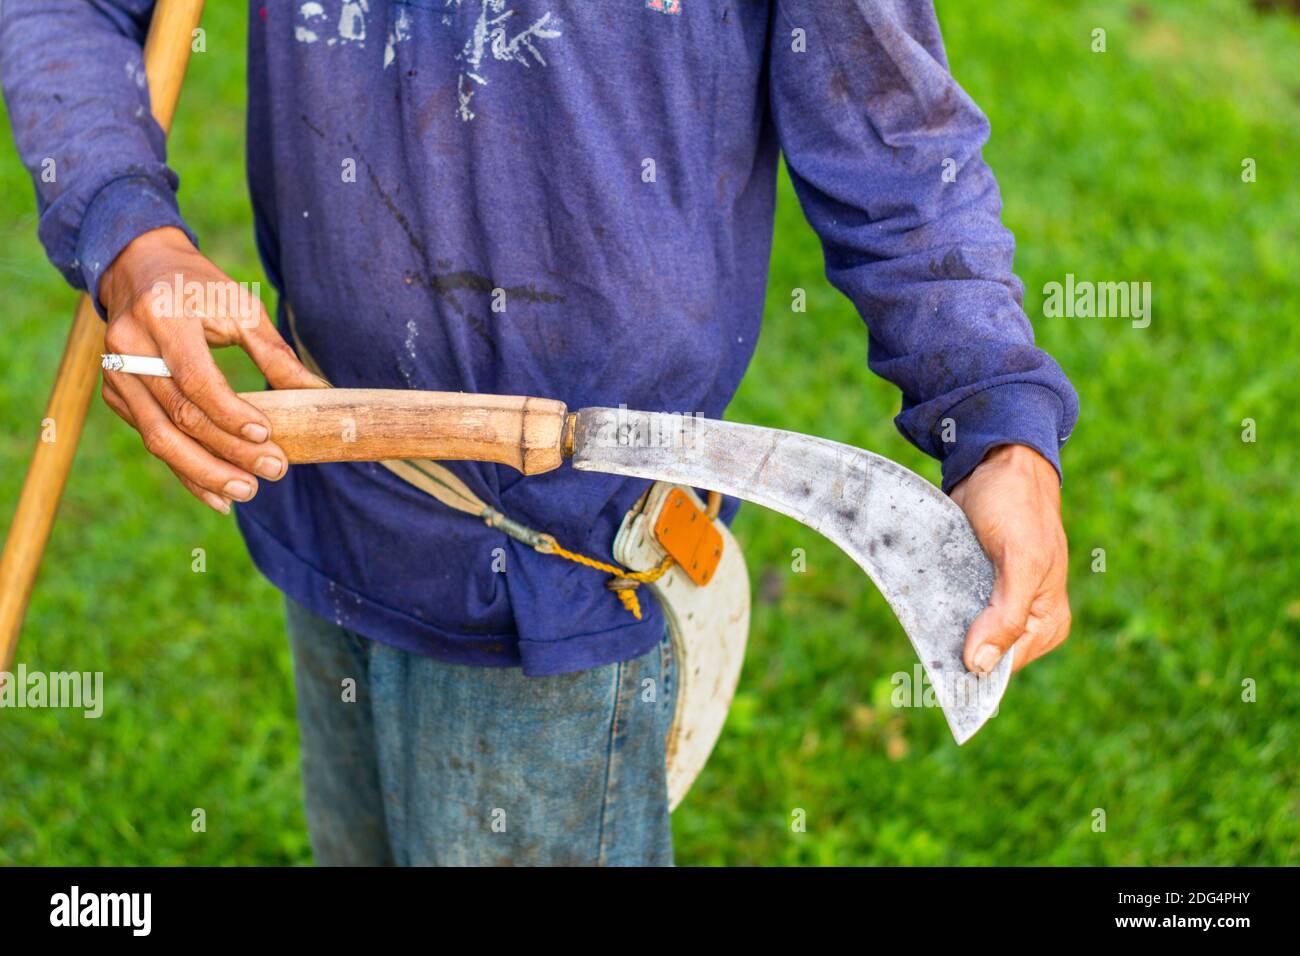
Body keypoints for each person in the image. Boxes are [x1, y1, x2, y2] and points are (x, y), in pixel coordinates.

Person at [1, 0, 1079, 866]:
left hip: (562, 566)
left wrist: (994, 415)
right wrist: (128, 229)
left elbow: (898, 150)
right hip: (328, 492)